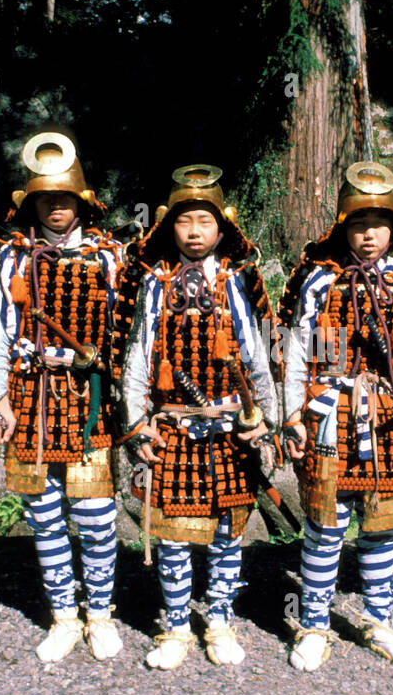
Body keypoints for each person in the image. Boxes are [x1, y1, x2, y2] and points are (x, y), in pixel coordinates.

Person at [279, 161, 393, 671]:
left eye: (379, 225)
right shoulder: (318, 281)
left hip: (391, 418)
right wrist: (292, 417)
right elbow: (296, 355)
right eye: (358, 224)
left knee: (379, 526)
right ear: (343, 228)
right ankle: (313, 622)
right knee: (325, 526)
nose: (369, 234)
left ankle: (380, 618)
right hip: (330, 417)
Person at [0, 131, 125, 663]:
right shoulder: (12, 256)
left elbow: (127, 331)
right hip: (29, 395)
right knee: (44, 514)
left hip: (88, 398)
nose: (56, 208)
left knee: (98, 515)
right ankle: (63, 616)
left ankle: (99, 615)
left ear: (81, 202)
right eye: (46, 199)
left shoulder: (110, 256)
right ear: (33, 203)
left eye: (65, 199)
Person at [117, 165, 278, 669]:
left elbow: (256, 354)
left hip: (229, 426)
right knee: (171, 532)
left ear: (221, 228)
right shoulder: (153, 285)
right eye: (185, 221)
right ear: (170, 228)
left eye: (203, 222)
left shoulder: (237, 282)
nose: (193, 232)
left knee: (228, 530)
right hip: (171, 427)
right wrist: (137, 421)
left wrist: (266, 419)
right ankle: (175, 626)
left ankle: (221, 620)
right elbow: (138, 357)